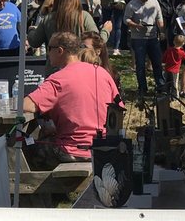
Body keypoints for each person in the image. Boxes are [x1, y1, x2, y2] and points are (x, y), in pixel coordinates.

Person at [23, 31, 121, 170]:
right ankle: (58, 192)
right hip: (104, 149)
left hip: (71, 151)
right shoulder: (102, 73)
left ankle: (45, 191)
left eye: (49, 48)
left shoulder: (58, 79)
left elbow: (27, 105)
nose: (47, 53)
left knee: (26, 147)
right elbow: (119, 108)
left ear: (60, 51)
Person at [124, 0, 166, 97]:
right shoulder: (132, 4)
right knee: (140, 64)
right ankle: (142, 88)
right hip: (138, 38)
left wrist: (161, 31)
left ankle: (160, 86)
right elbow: (126, 19)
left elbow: (159, 17)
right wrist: (136, 25)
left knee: (157, 62)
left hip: (153, 37)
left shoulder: (154, 2)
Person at [28, 0, 98, 52]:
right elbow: (96, 41)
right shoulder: (84, 16)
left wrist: (31, 30)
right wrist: (106, 31)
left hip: (54, 61)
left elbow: (34, 42)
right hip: (79, 61)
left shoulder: (48, 18)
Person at [162, 34, 185, 99]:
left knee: (167, 82)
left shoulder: (169, 50)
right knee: (175, 84)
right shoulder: (182, 52)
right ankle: (175, 96)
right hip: (175, 71)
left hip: (167, 69)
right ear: (183, 43)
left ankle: (166, 94)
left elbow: (164, 59)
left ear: (173, 41)